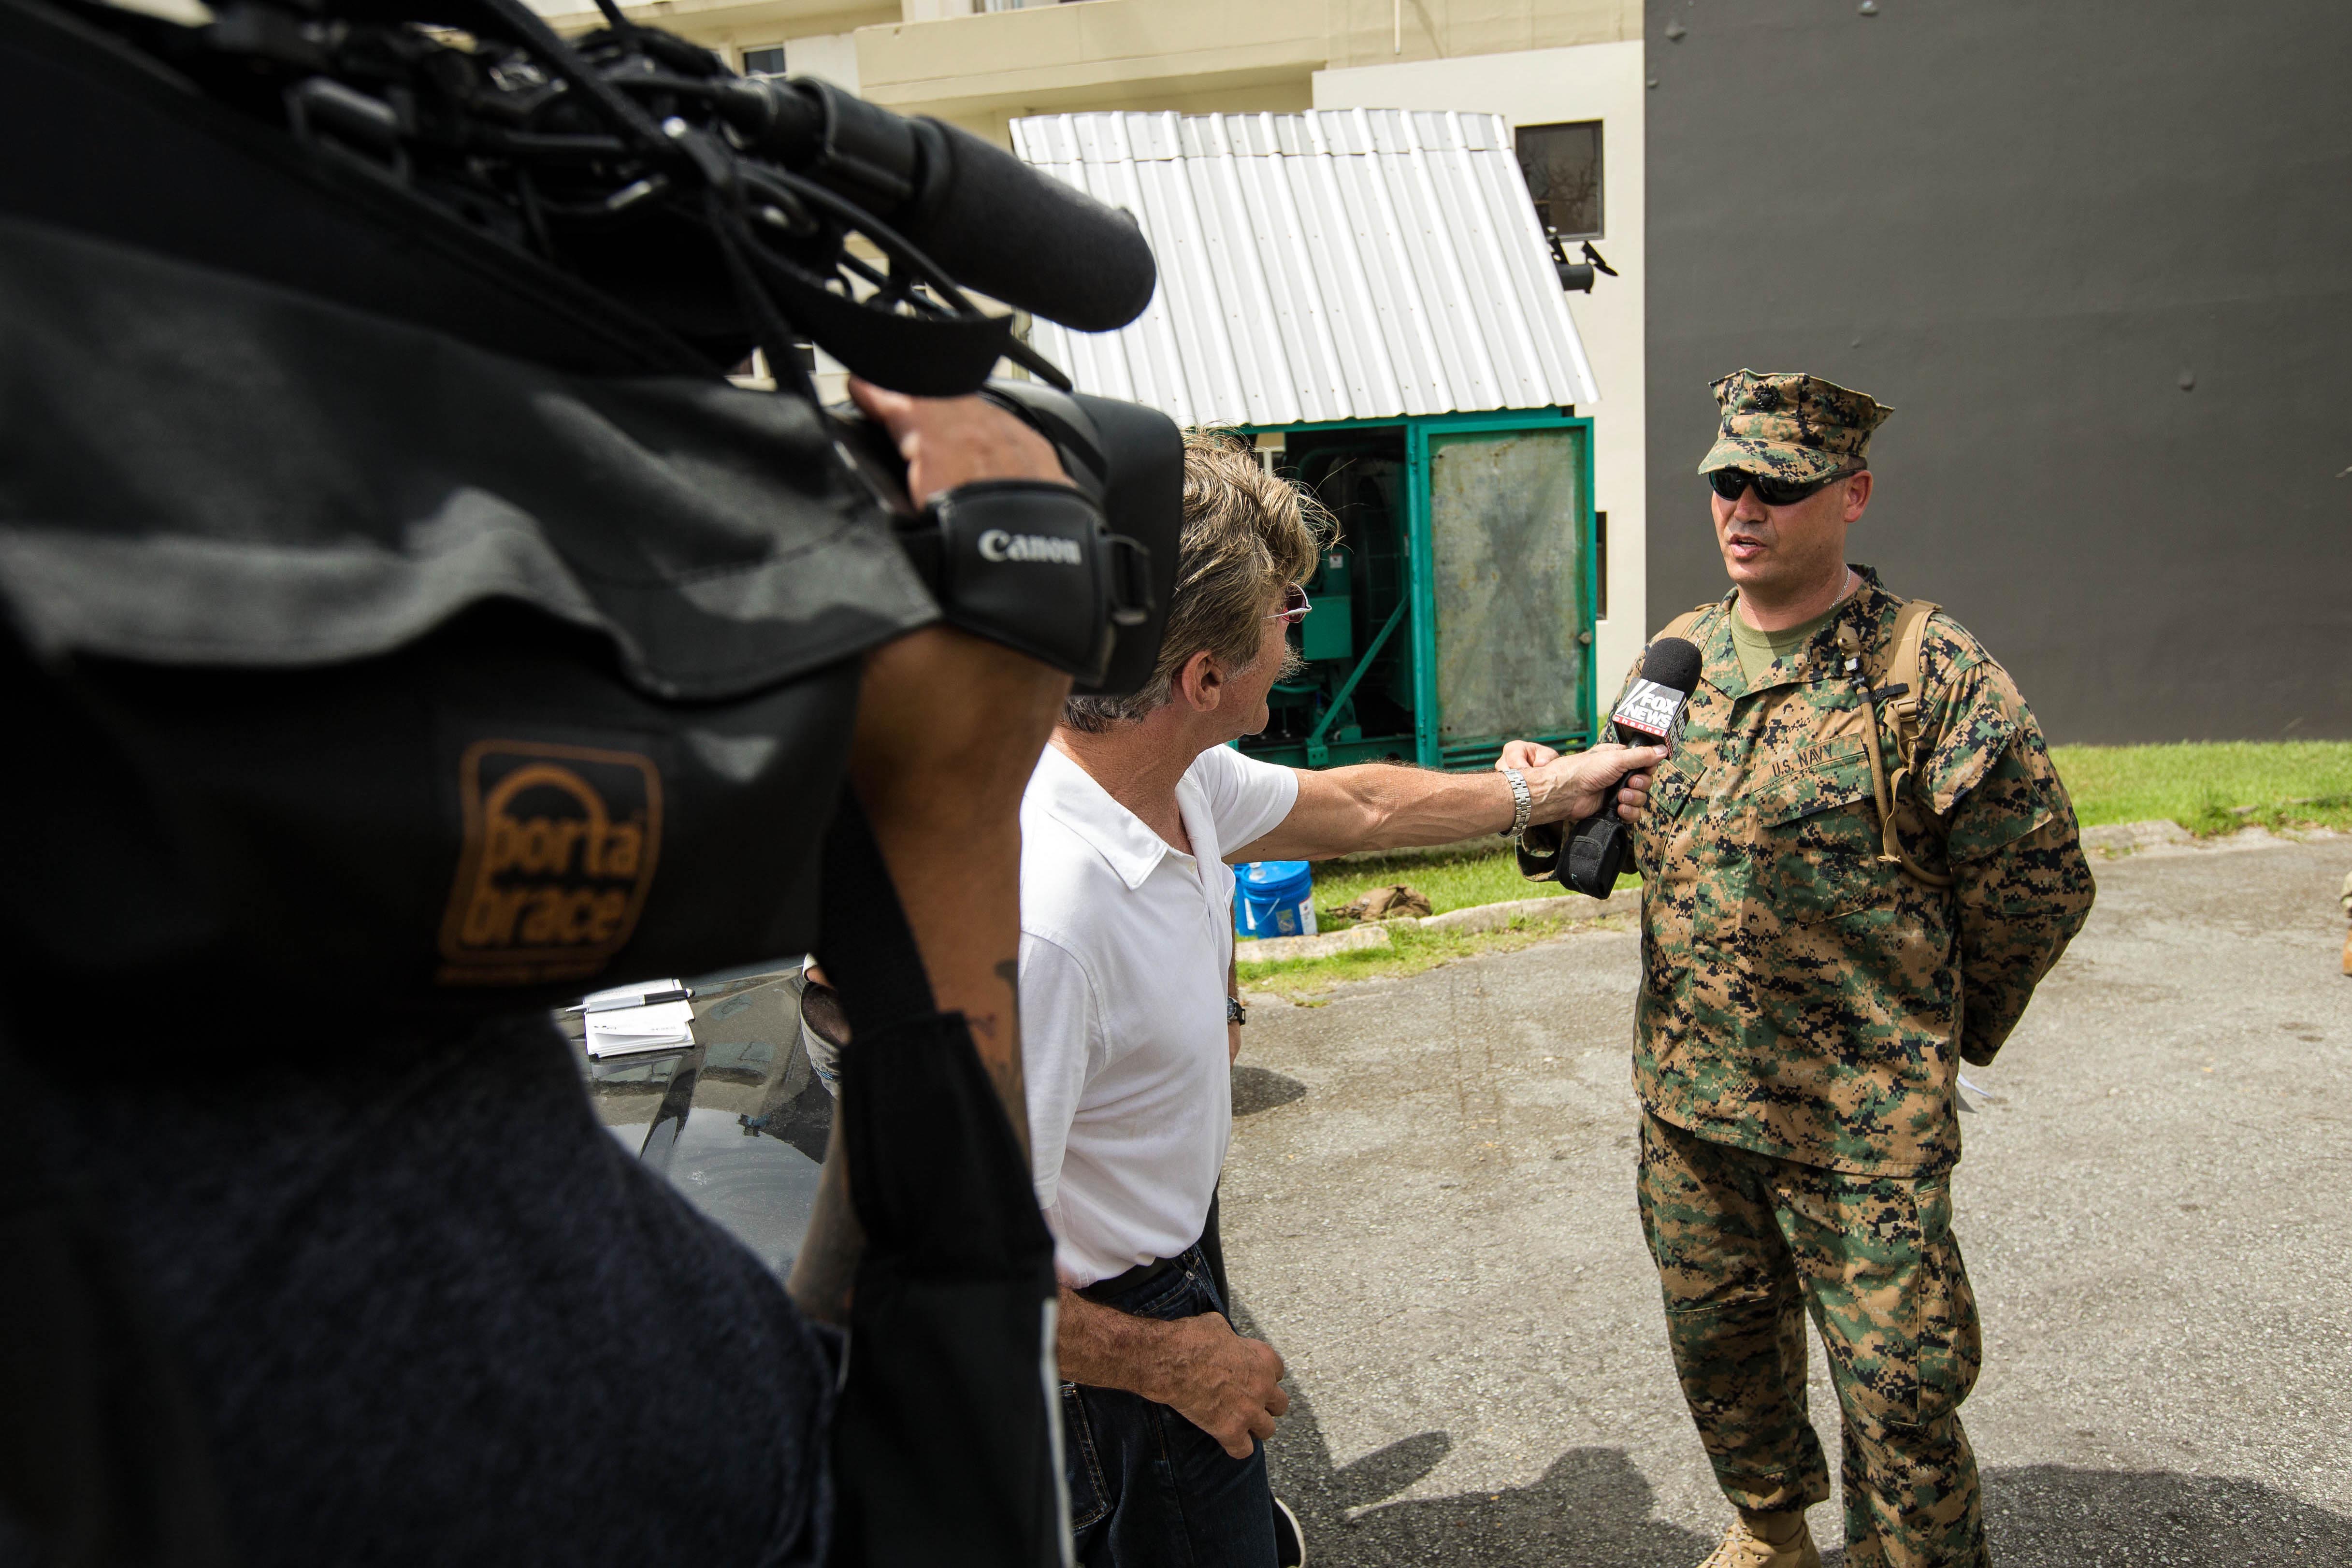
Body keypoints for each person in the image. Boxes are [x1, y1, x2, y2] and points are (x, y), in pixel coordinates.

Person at [1018, 434, 1666, 1568]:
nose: (1298, 642)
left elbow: (1357, 808)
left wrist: (1548, 787)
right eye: (1286, 618)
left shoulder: (1166, 773)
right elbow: (940, 1275)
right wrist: (1169, 1362)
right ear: (1202, 680)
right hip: (1105, 1349)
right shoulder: (1047, 922)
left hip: (1167, 1259)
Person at [1511, 371, 2095, 1568]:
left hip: (1859, 1131)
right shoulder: (1674, 661)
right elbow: (1608, 832)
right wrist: (1542, 802)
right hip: (1691, 1112)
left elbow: (2037, 886)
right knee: (1723, 1354)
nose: (1743, 507)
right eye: (1727, 480)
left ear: (1853, 495)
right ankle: (1770, 1529)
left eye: (1777, 485)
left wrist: (1931, 1038)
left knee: (1904, 1401)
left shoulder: (1927, 672)